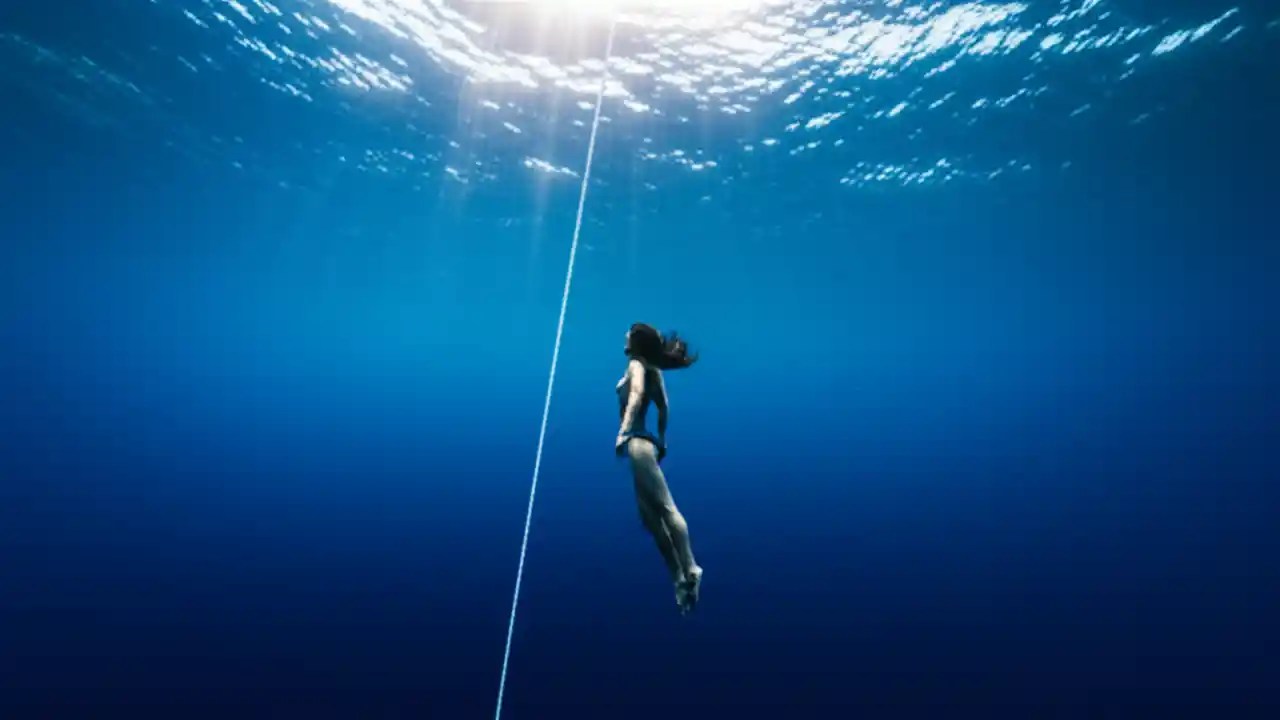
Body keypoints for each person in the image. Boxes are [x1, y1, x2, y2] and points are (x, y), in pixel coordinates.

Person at [615, 322, 703, 614]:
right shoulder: (653, 370)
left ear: (636, 342)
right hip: (645, 445)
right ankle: (679, 577)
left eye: (629, 333)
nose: (625, 336)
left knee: (664, 509)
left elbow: (638, 395)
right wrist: (662, 442)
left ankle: (690, 567)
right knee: (650, 518)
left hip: (637, 443)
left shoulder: (637, 366)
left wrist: (623, 431)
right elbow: (663, 407)